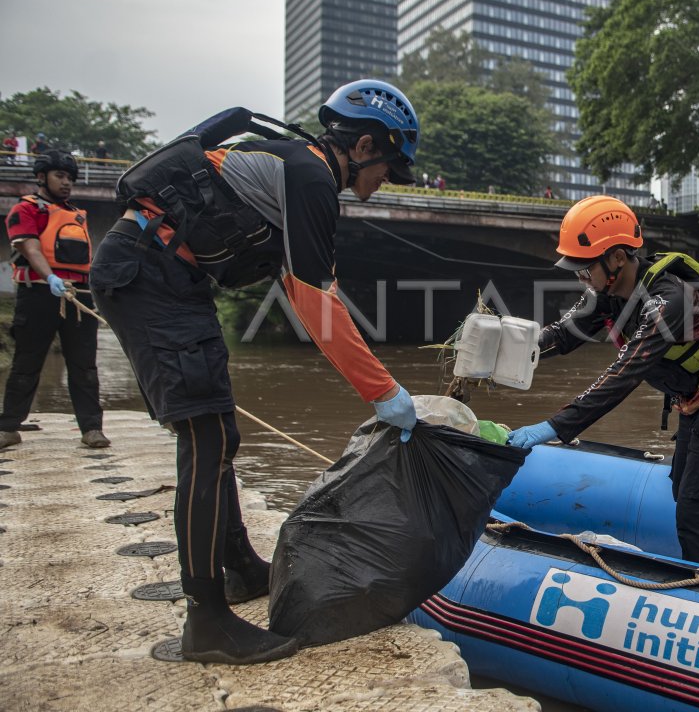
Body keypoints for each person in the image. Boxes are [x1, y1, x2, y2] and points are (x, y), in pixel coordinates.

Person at [88, 79, 421, 665]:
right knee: (205, 437)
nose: (384, 183)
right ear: (365, 145)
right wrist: (384, 393)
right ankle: (207, 621)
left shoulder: (298, 168)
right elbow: (316, 304)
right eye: (389, 168)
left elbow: (318, 287)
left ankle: (241, 568)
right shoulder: (312, 175)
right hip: (147, 276)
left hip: (169, 279)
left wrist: (377, 378)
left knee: (220, 433)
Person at [507, 196, 699, 568]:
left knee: (694, 506)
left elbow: (623, 374)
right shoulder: (606, 295)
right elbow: (562, 336)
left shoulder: (669, 301)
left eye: (584, 269)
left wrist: (554, 426)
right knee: (683, 488)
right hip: (693, 398)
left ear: (616, 258)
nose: (581, 278)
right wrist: (506, 349)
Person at [1, 151, 109, 450]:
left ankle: (91, 428)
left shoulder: (76, 215)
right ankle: (9, 427)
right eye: (60, 176)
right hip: (39, 292)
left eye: (70, 178)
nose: (66, 183)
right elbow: (32, 249)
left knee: (84, 365)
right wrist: (50, 278)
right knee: (27, 360)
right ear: (41, 177)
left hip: (78, 297)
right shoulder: (26, 209)